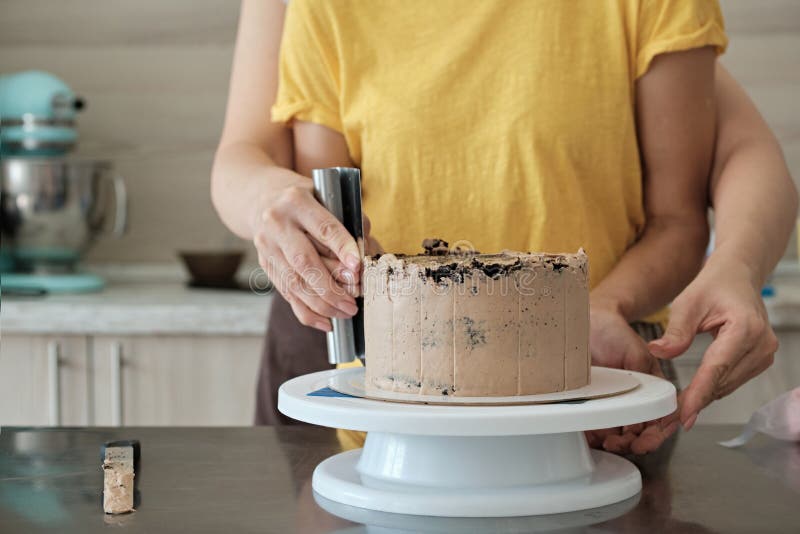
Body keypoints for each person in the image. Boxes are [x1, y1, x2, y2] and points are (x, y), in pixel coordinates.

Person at [212, 0, 798, 455]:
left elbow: (710, 181)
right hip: (376, 395)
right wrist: (279, 200)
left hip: (592, 373)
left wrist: (606, 307)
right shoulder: (325, 13)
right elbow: (247, 161)